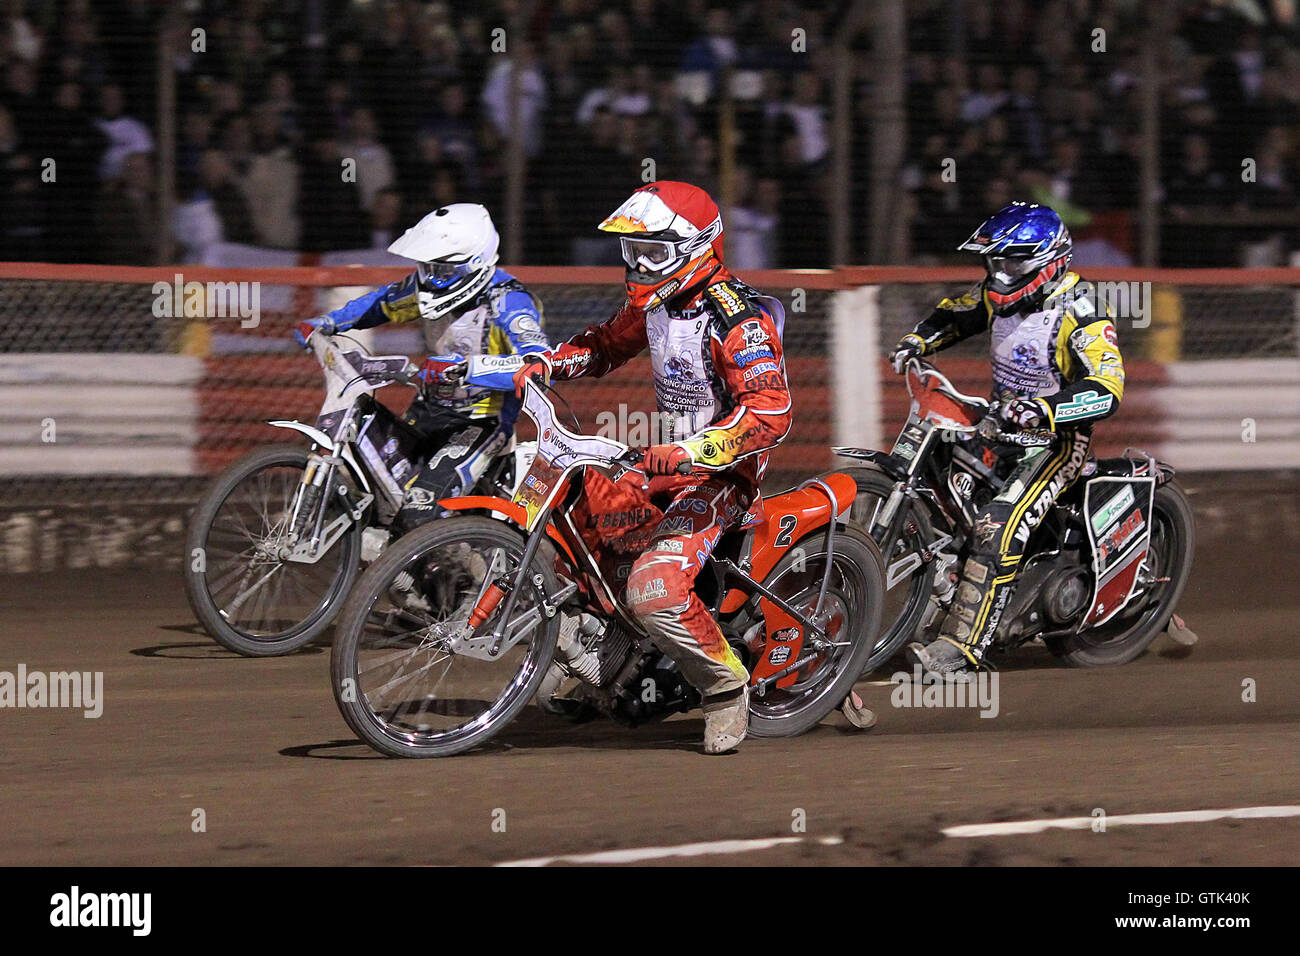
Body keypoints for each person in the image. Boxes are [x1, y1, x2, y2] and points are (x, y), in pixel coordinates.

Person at [512, 181, 792, 754]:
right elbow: (606, 345)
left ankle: (724, 687)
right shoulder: (662, 303)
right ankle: (608, 657)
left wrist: (698, 451)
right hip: (662, 458)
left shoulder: (734, 321)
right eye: (632, 253)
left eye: (653, 253)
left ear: (697, 247)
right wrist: (548, 363)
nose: (639, 266)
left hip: (721, 475)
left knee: (653, 586)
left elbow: (771, 411)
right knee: (574, 523)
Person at [889, 202, 1126, 680]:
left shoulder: (1080, 312)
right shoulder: (997, 294)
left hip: (1056, 441)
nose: (999, 274)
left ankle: (962, 649)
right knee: (941, 484)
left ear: (1048, 260)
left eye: (1012, 262)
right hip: (1000, 425)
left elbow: (1109, 387)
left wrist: (1047, 408)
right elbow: (954, 315)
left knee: (997, 526)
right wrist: (917, 342)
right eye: (994, 262)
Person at [294, 203, 550, 531]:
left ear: (474, 263)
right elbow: (381, 303)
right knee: (379, 498)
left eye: (442, 270)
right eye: (427, 267)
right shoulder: (424, 287)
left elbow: (539, 365)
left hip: (481, 423)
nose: (431, 278)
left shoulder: (509, 301)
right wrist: (328, 322)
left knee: (417, 512)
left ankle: (460, 559)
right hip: (428, 411)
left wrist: (465, 368)